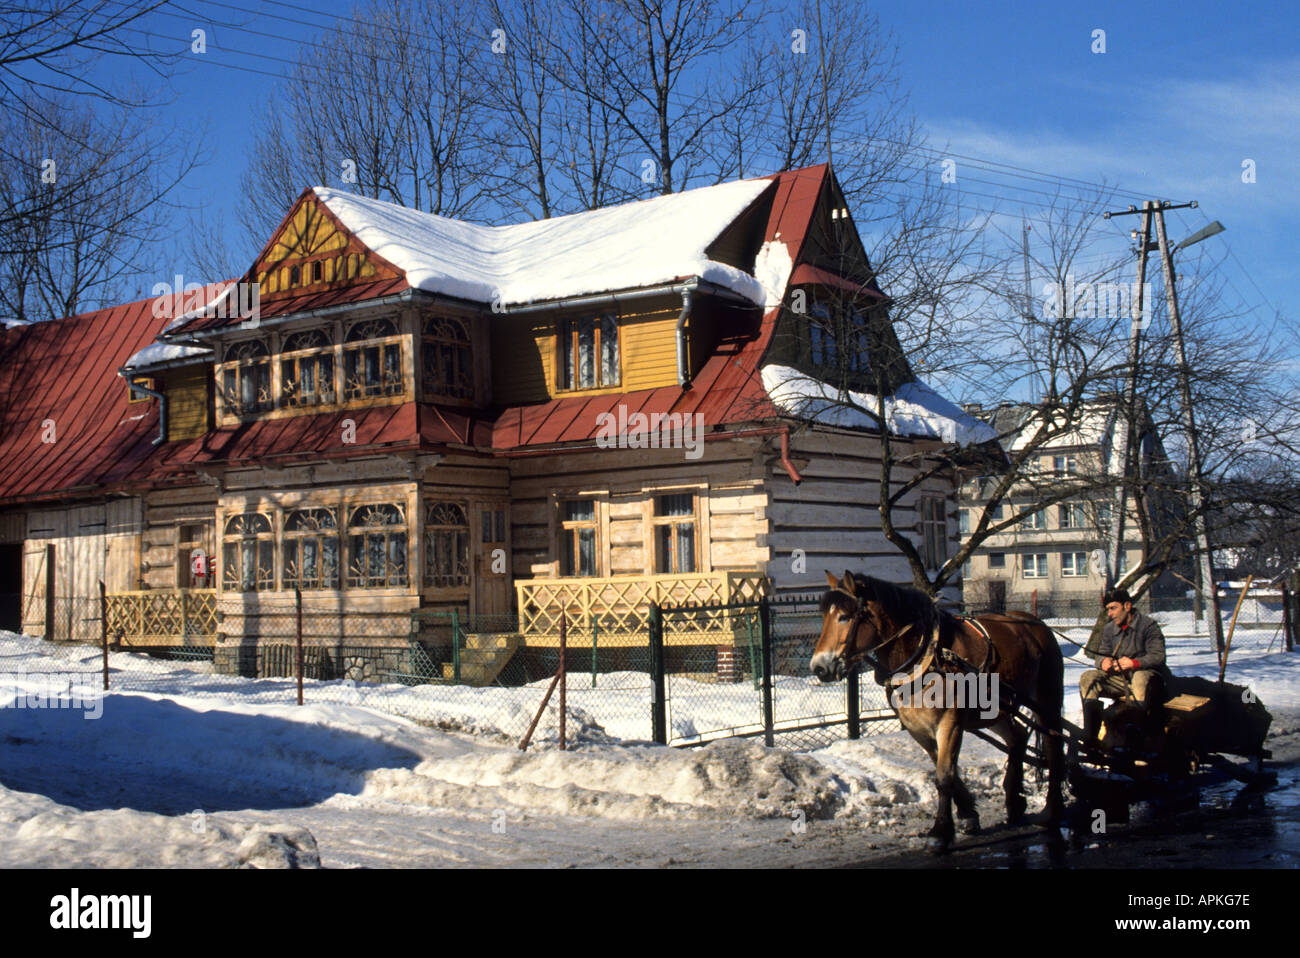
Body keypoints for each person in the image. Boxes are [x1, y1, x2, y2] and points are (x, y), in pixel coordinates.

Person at [1079, 588, 1172, 745]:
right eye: (1108, 610)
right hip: (1121, 680)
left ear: (1127, 606)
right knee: (1089, 677)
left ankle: (1139, 734)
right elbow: (1101, 653)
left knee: (1140, 677)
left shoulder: (1148, 626)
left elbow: (1158, 656)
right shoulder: (1109, 629)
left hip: (1151, 681)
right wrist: (1103, 662)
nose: (1110, 614)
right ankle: (1092, 736)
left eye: (1113, 608)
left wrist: (1134, 663)